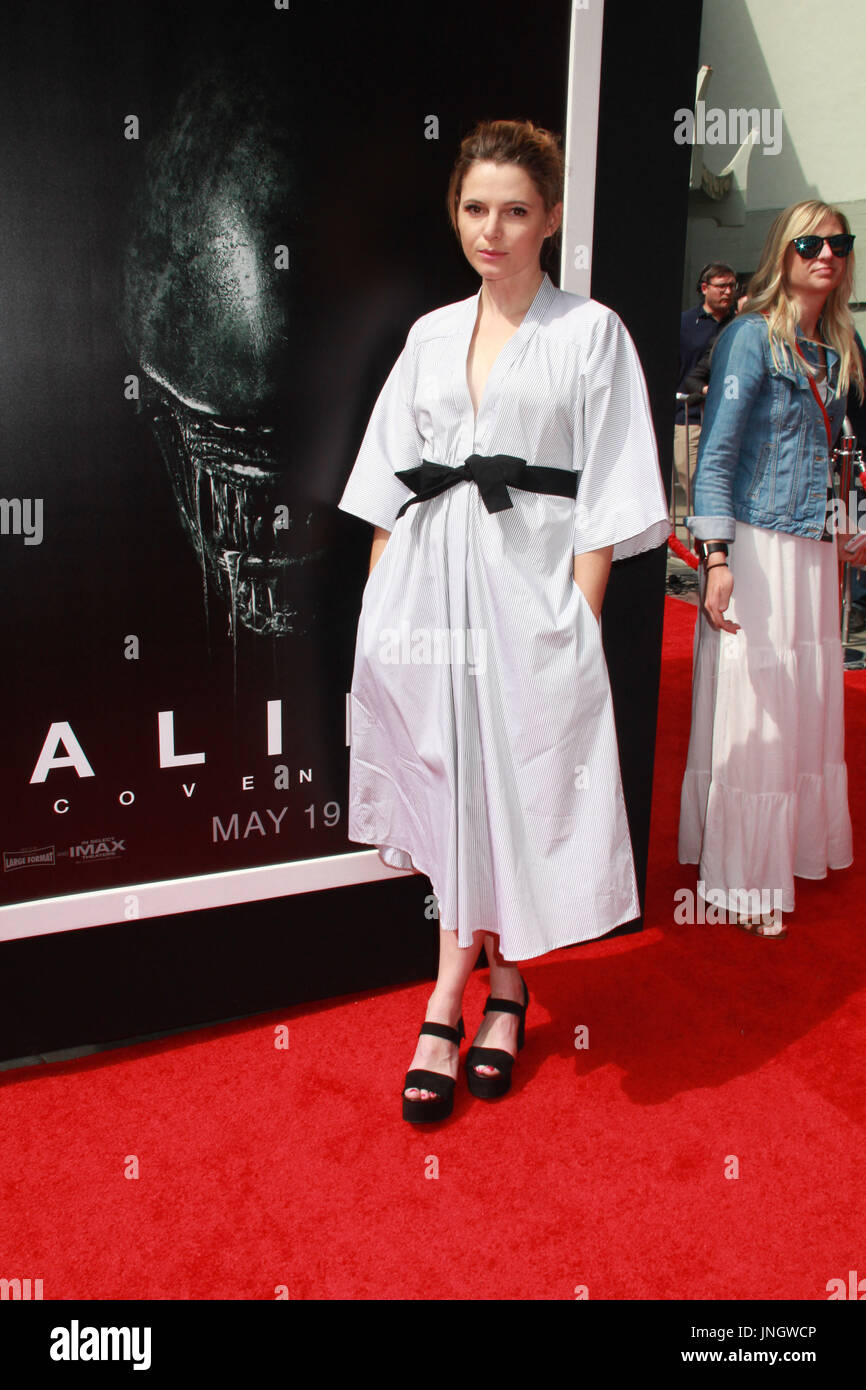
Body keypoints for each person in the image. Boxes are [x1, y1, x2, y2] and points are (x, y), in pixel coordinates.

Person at [338, 119, 669, 1122]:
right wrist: (378, 610)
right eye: (475, 208)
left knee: (517, 793)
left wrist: (574, 620)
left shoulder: (589, 332)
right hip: (426, 599)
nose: (492, 230)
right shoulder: (429, 334)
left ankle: (505, 979)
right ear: (456, 214)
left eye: (515, 211)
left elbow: (609, 496)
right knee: (448, 790)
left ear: (550, 219)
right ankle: (458, 989)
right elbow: (387, 480)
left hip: (530, 600)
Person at [678, 200, 866, 937]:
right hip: (758, 547)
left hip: (817, 552)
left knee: (803, 704)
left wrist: (852, 526)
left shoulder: (840, 346)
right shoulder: (751, 338)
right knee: (758, 709)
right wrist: (715, 557)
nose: (826, 254)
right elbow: (716, 452)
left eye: (839, 243)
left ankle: (786, 851)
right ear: (781, 252)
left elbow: (849, 453)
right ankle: (739, 881)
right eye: (810, 243)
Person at [673, 263, 738, 506]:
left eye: (732, 286)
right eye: (721, 286)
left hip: (727, 417)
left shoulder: (739, 325)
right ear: (704, 288)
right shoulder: (685, 323)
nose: (728, 292)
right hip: (689, 415)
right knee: (690, 476)